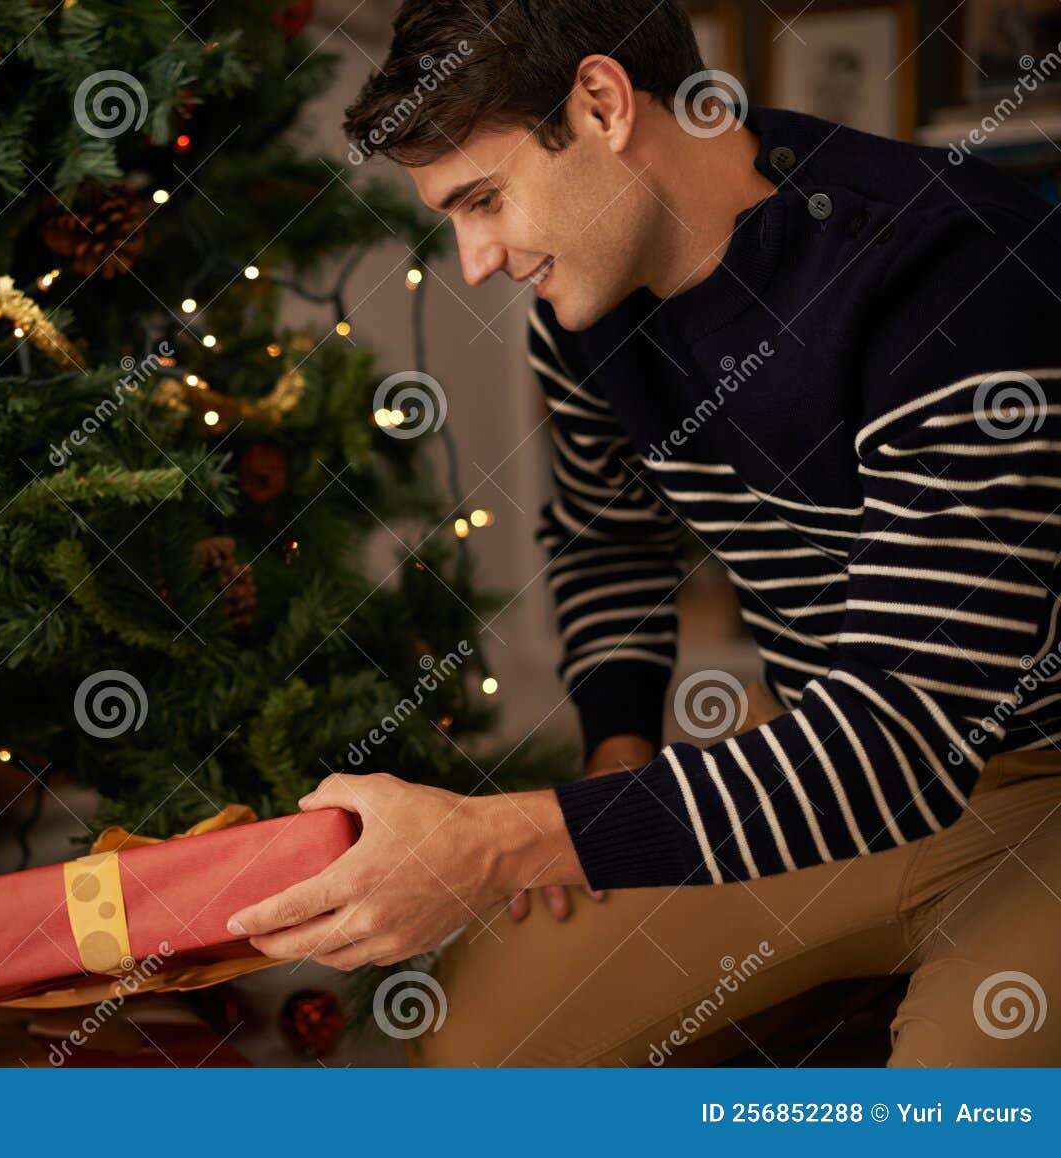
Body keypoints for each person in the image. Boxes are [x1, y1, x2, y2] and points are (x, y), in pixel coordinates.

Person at [224, 0, 1061, 1065]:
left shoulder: (954, 280)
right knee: (476, 1048)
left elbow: (901, 736)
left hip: (1010, 780)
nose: (474, 260)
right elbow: (608, 536)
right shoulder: (588, 311)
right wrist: (617, 749)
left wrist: (499, 844)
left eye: (483, 199)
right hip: (810, 745)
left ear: (602, 104)